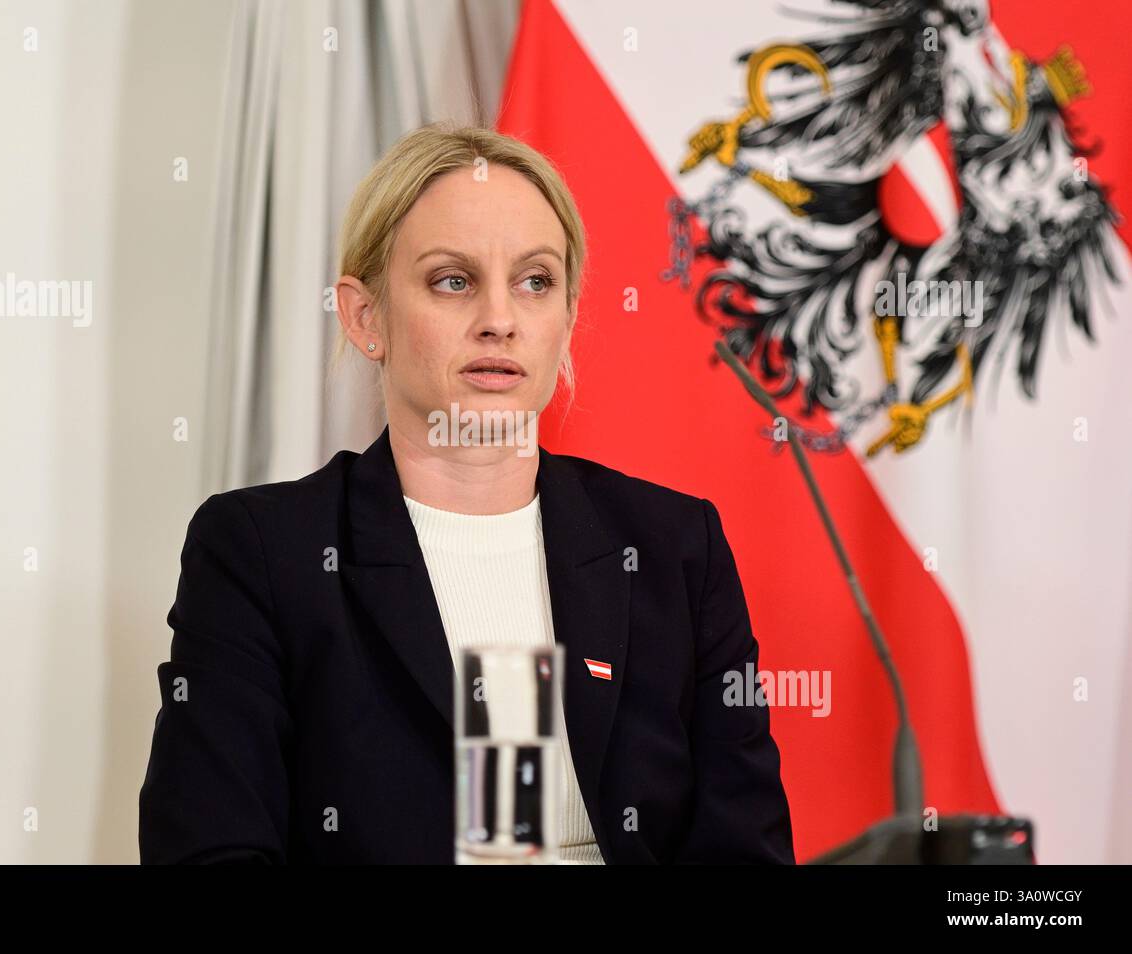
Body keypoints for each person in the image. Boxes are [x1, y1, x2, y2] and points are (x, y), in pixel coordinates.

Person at [138, 122, 794, 864]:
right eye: (453, 280)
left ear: (568, 315)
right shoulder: (262, 552)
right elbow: (208, 851)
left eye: (535, 281)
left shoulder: (674, 547)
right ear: (364, 316)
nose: (499, 320)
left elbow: (745, 851)